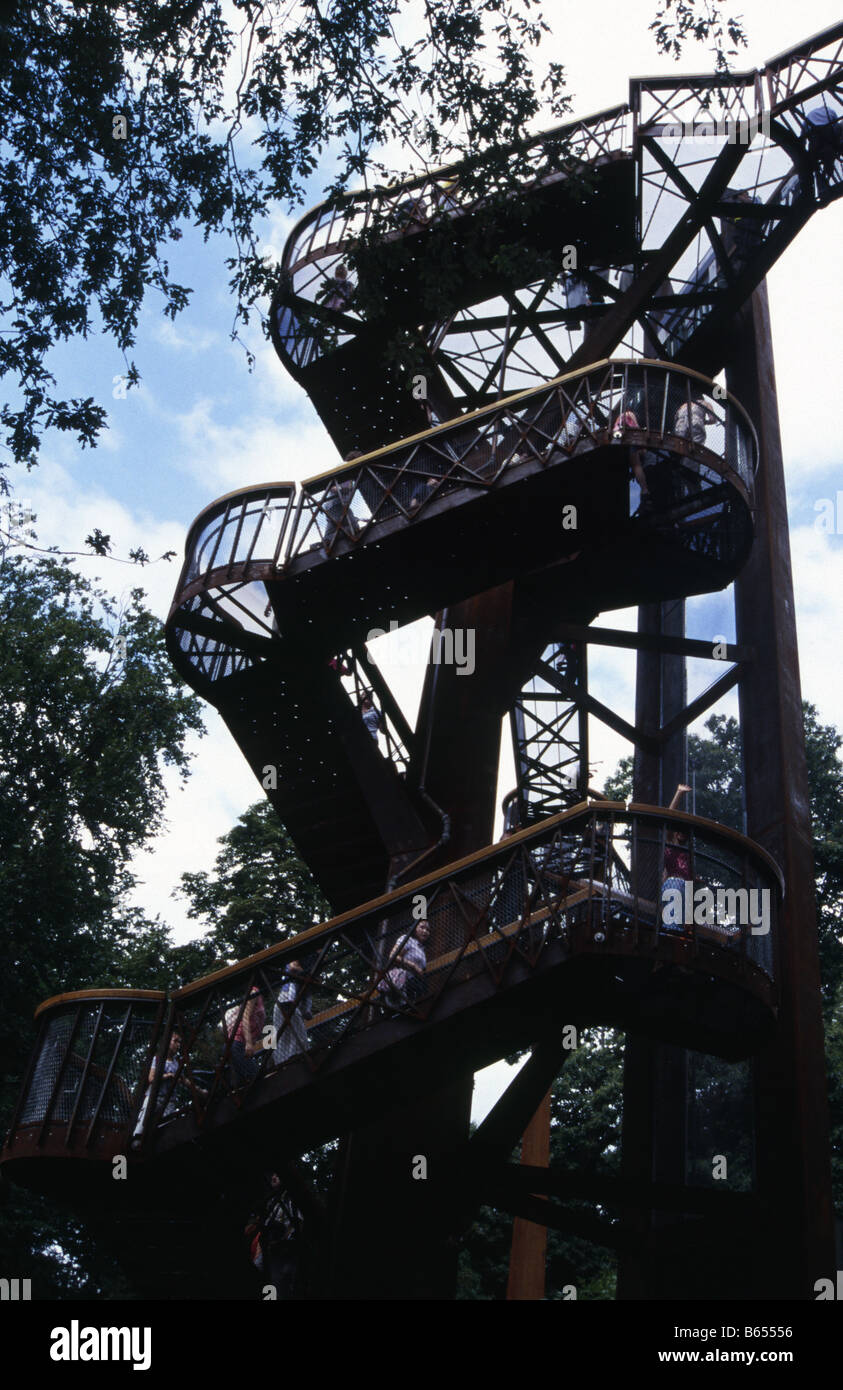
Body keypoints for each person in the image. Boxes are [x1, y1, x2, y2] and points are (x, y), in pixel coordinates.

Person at [245, 1173, 303, 1299]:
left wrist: (283, 1242)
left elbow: (297, 1224)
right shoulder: (272, 1202)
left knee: (281, 1287)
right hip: (267, 1249)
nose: (273, 1177)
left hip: (284, 1252)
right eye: (273, 1175)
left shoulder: (292, 1200)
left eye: (278, 1175)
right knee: (264, 1281)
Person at [661, 784, 692, 936]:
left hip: (684, 887)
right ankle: (671, 933)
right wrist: (679, 793)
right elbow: (669, 815)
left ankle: (680, 933)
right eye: (679, 831)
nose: (682, 834)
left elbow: (666, 872)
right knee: (673, 920)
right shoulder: (671, 843)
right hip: (675, 884)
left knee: (685, 921)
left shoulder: (686, 853)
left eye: (685, 833)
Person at [377, 921, 430, 1008]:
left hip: (415, 983)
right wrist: (413, 965)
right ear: (414, 929)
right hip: (403, 982)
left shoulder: (421, 948)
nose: (425, 931)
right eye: (422, 927)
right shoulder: (407, 939)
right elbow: (393, 956)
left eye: (428, 930)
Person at [611, 404, 652, 512]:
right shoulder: (628, 414)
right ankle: (644, 490)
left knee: (635, 465)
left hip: (622, 441)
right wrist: (642, 446)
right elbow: (635, 427)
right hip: (630, 440)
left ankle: (644, 490)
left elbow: (617, 430)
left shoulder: (621, 416)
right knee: (636, 465)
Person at [272, 960, 311, 1066]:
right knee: (291, 1033)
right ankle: (292, 1058)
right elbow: (292, 967)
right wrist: (305, 971)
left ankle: (288, 1060)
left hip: (287, 1002)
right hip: (286, 999)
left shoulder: (301, 985)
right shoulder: (294, 965)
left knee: (289, 1032)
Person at [225, 985, 265, 1085]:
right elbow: (245, 1016)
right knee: (256, 1078)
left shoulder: (260, 996)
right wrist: (248, 1043)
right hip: (237, 1044)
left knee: (245, 1083)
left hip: (239, 1045)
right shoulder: (254, 991)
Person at [802, 104, 843, 196]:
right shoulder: (830, 111)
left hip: (814, 140)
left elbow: (803, 137)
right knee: (829, 158)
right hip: (827, 135)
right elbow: (835, 128)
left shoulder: (809, 115)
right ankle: (827, 176)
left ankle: (821, 188)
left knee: (814, 165)